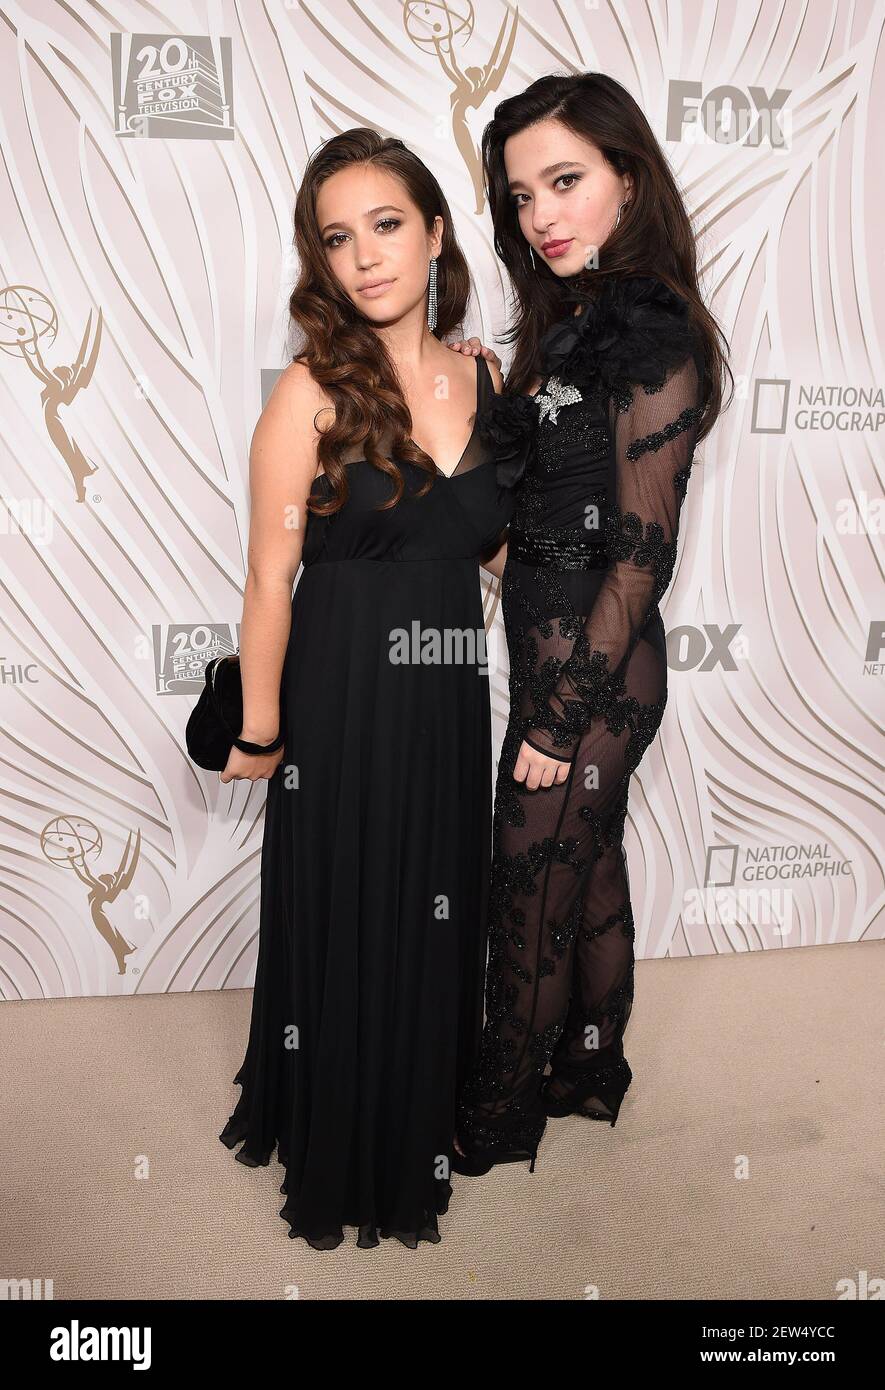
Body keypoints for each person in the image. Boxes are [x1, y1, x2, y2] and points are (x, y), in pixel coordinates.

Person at [217, 128, 513, 1247]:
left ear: (436, 232)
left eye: (387, 225)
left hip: (444, 698)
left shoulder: (484, 377)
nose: (367, 257)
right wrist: (260, 723)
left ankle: (422, 1116)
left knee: (435, 897)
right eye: (339, 239)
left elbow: (483, 547)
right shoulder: (310, 390)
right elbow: (268, 575)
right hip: (341, 702)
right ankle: (342, 1126)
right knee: (352, 901)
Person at [448, 73, 732, 1174]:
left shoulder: (655, 332)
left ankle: (494, 1117)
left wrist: (559, 725)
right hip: (558, 657)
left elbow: (639, 555)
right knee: (588, 869)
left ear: (629, 176)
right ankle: (589, 1067)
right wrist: (490, 408)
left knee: (527, 896)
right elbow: (525, 542)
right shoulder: (566, 334)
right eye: (521, 196)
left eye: (565, 180)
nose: (542, 214)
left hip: (599, 680)